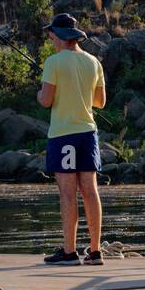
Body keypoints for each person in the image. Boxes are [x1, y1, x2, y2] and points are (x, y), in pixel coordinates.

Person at [37, 13, 106, 265]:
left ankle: (69, 252)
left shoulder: (53, 62)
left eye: (51, 33)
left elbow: (45, 101)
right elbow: (100, 102)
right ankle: (95, 251)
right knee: (90, 190)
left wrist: (39, 94)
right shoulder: (94, 62)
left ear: (60, 35)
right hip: (88, 133)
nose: (49, 37)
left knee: (67, 193)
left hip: (63, 134)